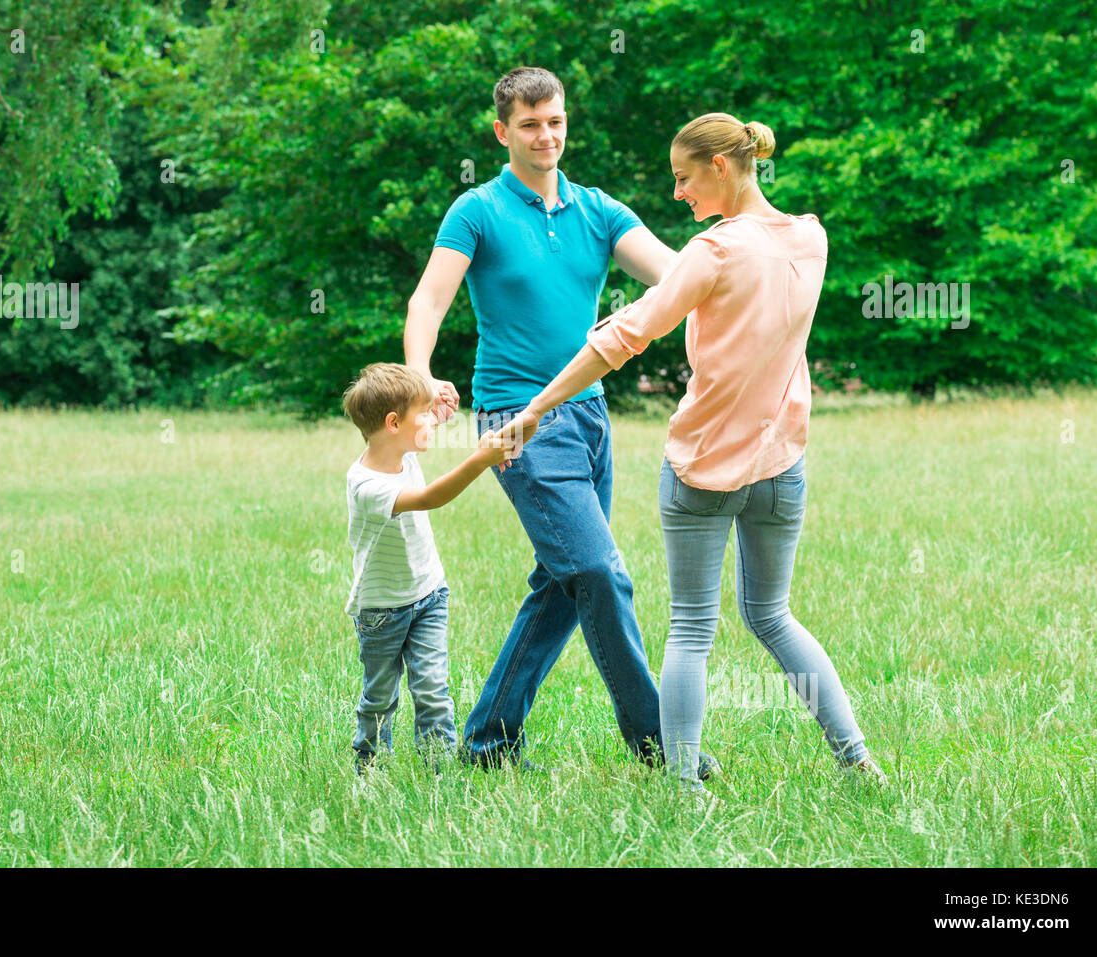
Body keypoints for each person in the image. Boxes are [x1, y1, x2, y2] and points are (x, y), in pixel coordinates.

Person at [495, 112, 886, 796]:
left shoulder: (713, 251)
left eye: (683, 178)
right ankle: (856, 758)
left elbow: (620, 338)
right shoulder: (810, 239)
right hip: (781, 467)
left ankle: (682, 785)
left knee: (693, 630)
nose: (678, 194)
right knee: (772, 614)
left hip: (702, 468)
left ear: (721, 167)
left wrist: (533, 410)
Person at [405, 66, 717, 778]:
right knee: (599, 574)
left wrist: (744, 256)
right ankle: (667, 749)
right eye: (530, 125)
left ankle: (487, 740)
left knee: (562, 582)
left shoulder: (598, 210)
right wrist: (423, 374)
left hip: (589, 416)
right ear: (501, 131)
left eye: (556, 122)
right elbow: (429, 300)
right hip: (518, 421)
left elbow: (677, 278)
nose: (546, 136)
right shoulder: (477, 211)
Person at [341, 362, 509, 773]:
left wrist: (436, 400)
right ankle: (370, 765)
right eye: (425, 417)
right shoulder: (367, 485)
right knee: (381, 695)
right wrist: (480, 460)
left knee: (433, 689)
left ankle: (440, 772)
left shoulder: (402, 445)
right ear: (394, 423)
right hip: (382, 611)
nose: (434, 424)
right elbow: (431, 497)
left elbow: (424, 415)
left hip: (430, 596)